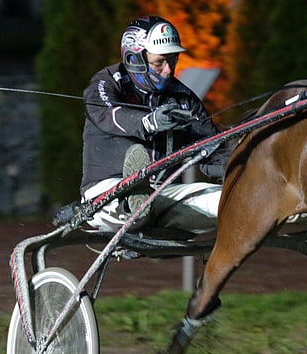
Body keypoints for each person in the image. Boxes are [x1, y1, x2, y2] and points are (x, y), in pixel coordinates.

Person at [80, 15, 222, 234]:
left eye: (172, 60)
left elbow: (211, 150)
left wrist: (244, 165)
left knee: (226, 199)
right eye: (159, 62)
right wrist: (149, 121)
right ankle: (135, 198)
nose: (168, 69)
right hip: (105, 196)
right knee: (130, 198)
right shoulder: (106, 82)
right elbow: (105, 113)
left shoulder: (183, 97)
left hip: (164, 195)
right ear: (134, 59)